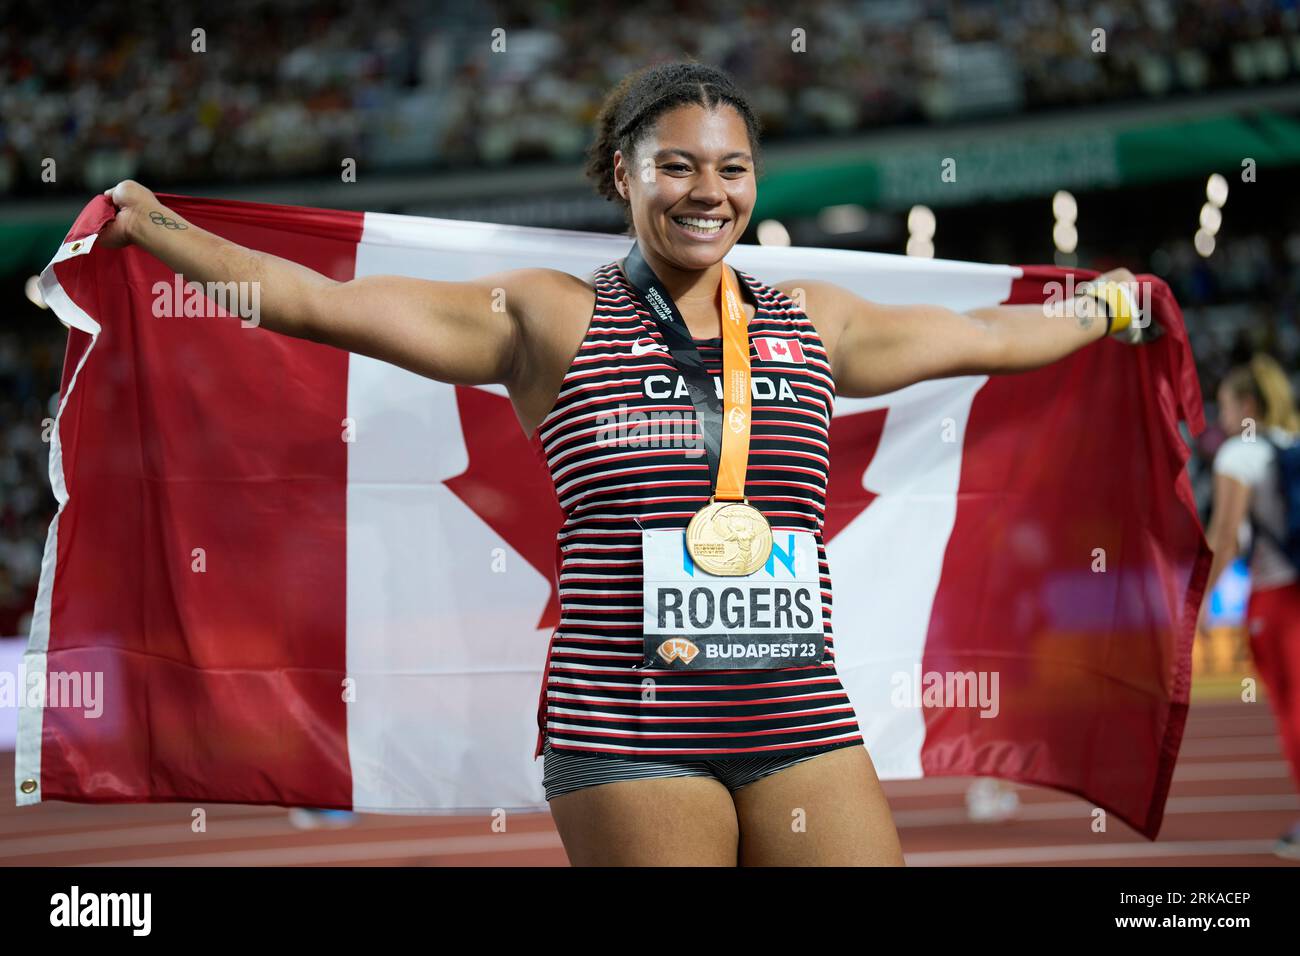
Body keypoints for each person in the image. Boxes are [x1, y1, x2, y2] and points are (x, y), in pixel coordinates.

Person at [98, 60, 1145, 866]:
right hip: (627, 722)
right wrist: (158, 229)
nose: (707, 191)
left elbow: (993, 340)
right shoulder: (550, 317)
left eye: (730, 168)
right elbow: (322, 306)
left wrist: (1105, 304)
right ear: (622, 175)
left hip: (800, 715)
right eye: (676, 164)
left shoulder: (812, 323)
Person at [1201, 353, 1300, 860]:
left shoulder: (1237, 455)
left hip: (1279, 598)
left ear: (1245, 405)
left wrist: (1199, 602)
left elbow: (1225, 540)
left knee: (1293, 712)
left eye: (1221, 405)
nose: (1217, 417)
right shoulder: (1290, 443)